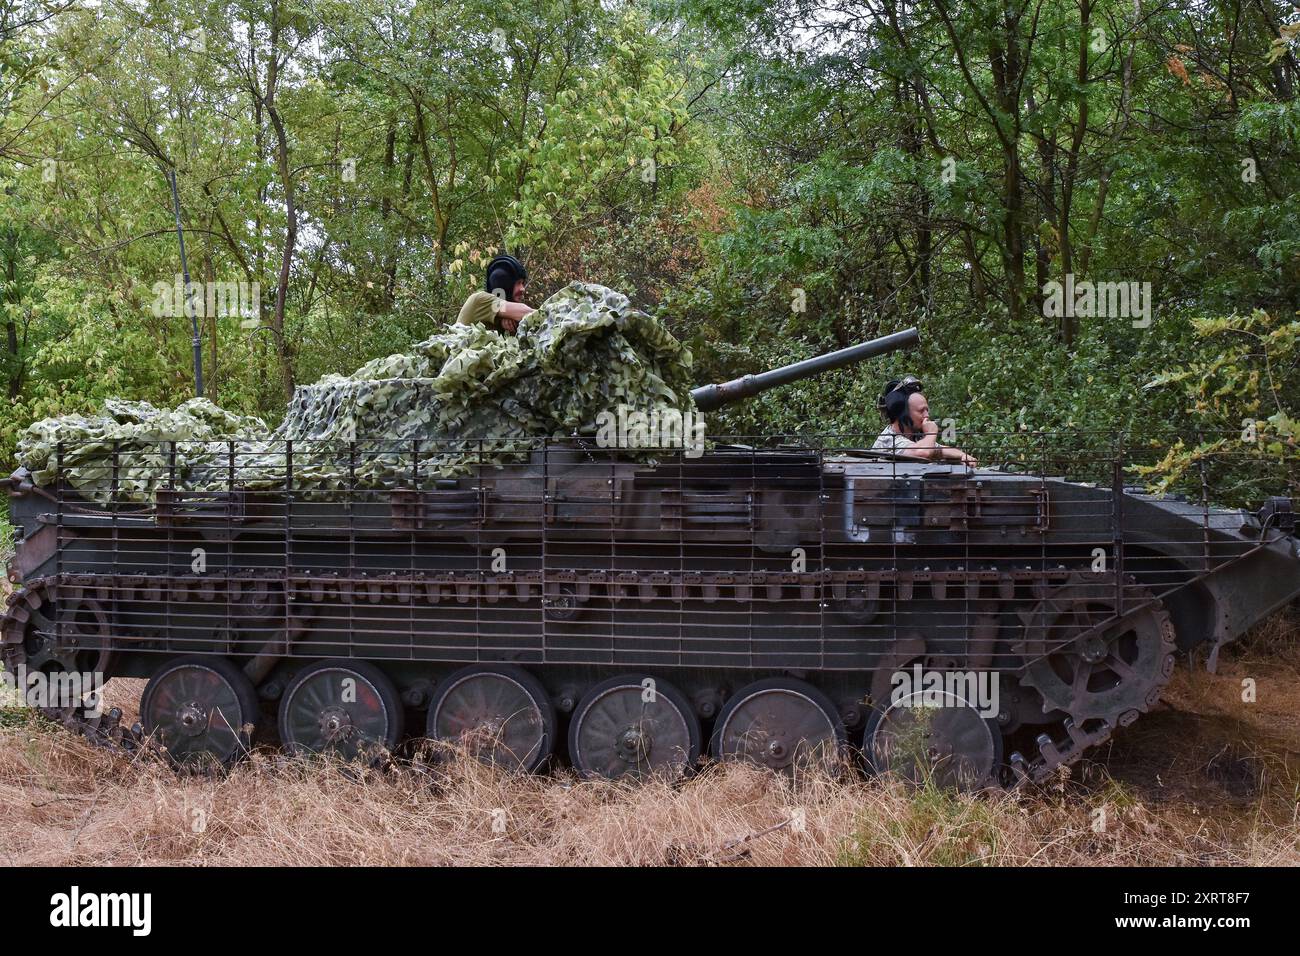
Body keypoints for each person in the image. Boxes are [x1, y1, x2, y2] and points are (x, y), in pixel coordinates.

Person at [872, 376, 978, 466]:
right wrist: (931, 433)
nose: (927, 415)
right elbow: (922, 452)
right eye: (921, 411)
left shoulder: (916, 436)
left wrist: (963, 456)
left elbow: (940, 450)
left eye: (927, 410)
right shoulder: (889, 439)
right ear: (903, 414)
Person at [456, 253, 535, 334]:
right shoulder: (480, 301)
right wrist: (548, 314)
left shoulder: (507, 321)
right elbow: (526, 312)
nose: (522, 289)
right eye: (518, 283)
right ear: (504, 284)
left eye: (522, 283)